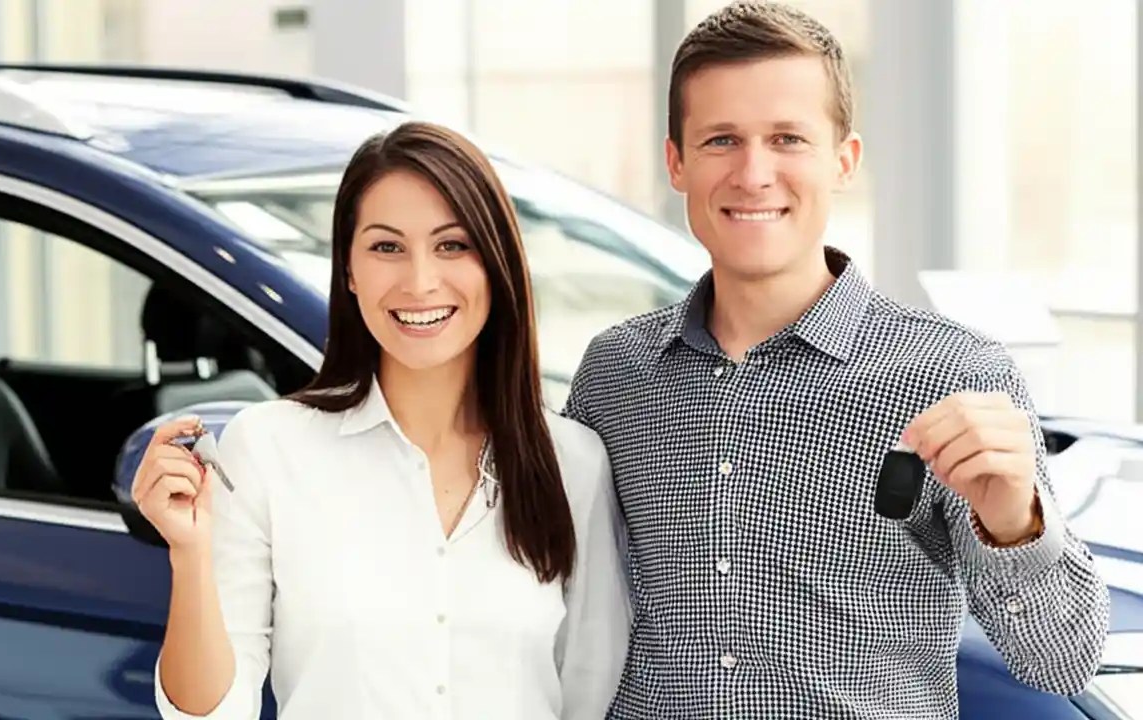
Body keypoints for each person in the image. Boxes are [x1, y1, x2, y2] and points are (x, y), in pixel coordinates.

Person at [562, 3, 1110, 719]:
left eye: (787, 138)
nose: (754, 174)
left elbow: (1060, 659)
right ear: (677, 162)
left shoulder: (954, 374)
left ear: (843, 160)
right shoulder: (615, 375)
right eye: (722, 139)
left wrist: (1015, 523)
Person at [134, 120, 632, 720]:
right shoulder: (268, 448)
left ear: (495, 265)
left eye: (452, 245)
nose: (420, 282)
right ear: (348, 270)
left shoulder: (572, 462)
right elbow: (208, 715)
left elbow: (593, 690)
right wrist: (188, 555)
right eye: (386, 247)